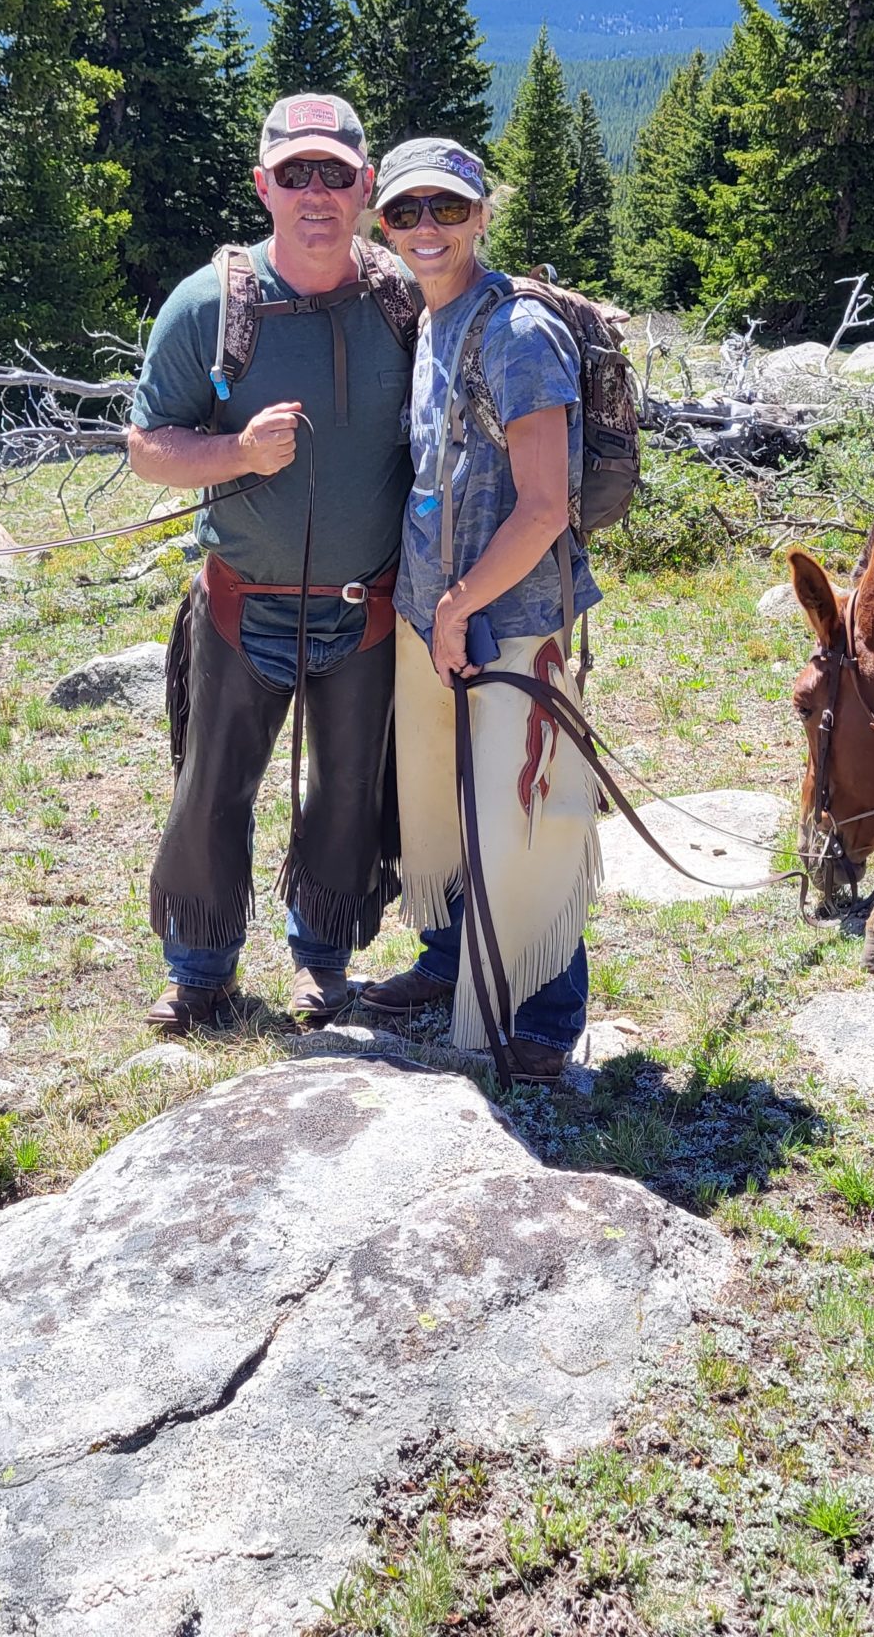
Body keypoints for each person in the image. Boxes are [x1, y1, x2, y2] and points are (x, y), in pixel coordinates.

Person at [127, 93, 416, 1033]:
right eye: (296, 173)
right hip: (240, 604)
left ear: (366, 187)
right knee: (211, 791)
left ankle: (322, 963)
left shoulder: (403, 300)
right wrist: (238, 454)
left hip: (366, 608)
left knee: (347, 796)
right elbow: (147, 447)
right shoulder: (209, 305)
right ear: (264, 187)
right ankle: (198, 971)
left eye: (336, 173)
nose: (316, 192)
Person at [350, 138, 600, 1081]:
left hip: (515, 619)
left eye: (448, 209)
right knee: (445, 802)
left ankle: (544, 1009)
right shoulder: (433, 320)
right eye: (406, 211)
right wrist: (434, 611)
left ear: (483, 216)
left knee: (526, 812)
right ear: (385, 225)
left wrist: (457, 607)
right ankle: (452, 958)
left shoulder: (518, 332)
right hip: (441, 617)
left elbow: (543, 509)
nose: (428, 228)